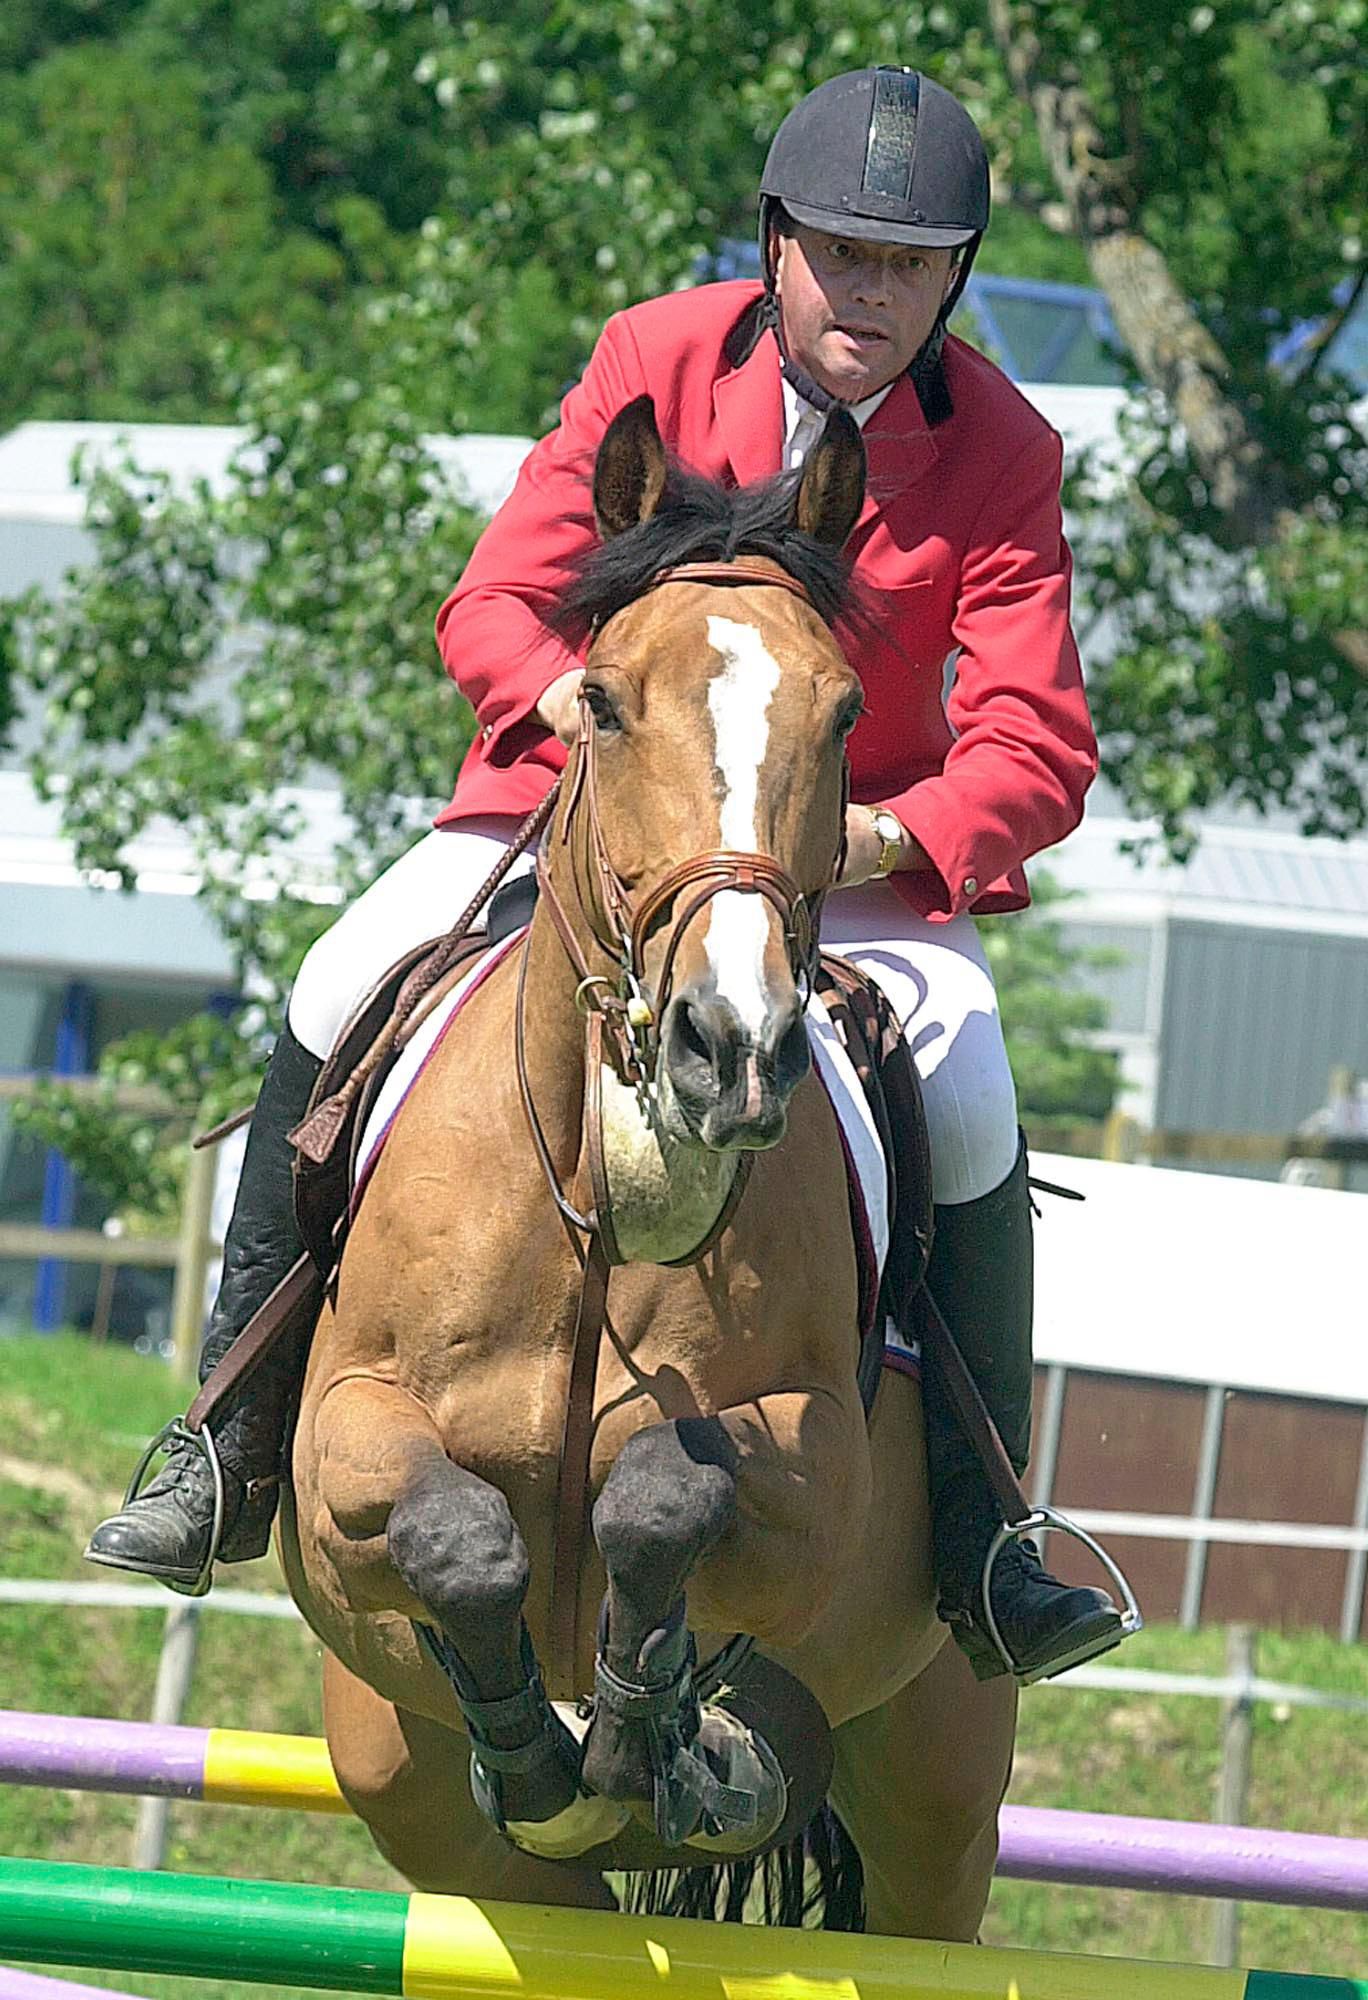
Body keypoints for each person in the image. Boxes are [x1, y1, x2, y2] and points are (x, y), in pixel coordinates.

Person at [88, 65, 1129, 1684]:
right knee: (337, 974)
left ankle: (986, 1534)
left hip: (839, 865)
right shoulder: (655, 356)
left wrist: (874, 839)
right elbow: (494, 601)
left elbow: (1033, 741)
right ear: (774, 246)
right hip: (582, 818)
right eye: (841, 253)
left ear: (958, 278)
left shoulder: (1000, 448)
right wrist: (574, 714)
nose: (871, 290)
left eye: (909, 264)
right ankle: (228, 1436)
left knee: (970, 1076)